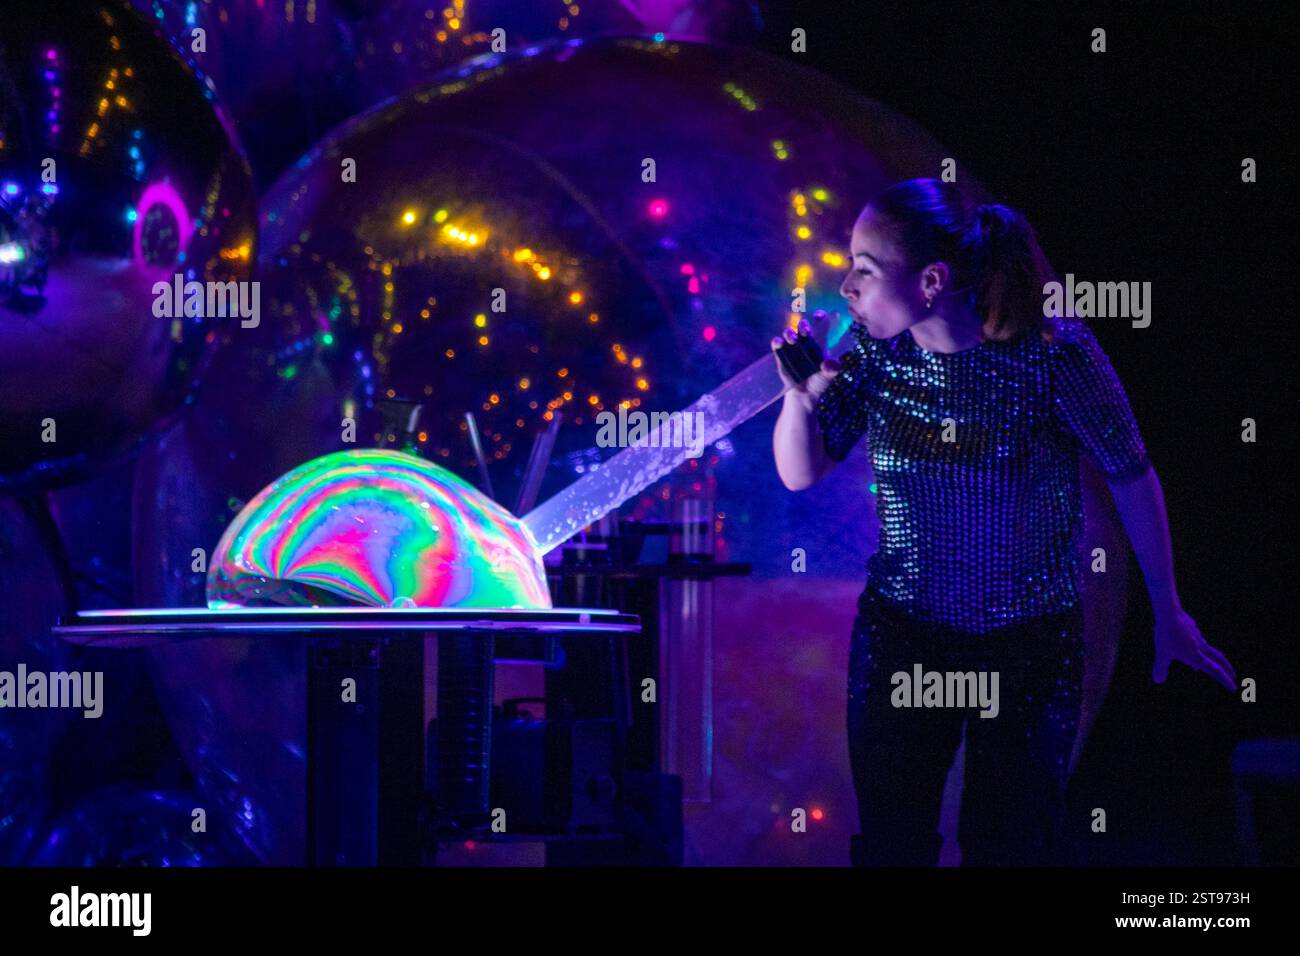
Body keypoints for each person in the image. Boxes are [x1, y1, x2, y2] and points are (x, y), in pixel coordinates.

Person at [770, 178, 1236, 866]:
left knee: (1010, 846)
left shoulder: (1054, 354)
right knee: (893, 846)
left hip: (1029, 647)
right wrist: (801, 400)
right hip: (903, 635)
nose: (846, 286)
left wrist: (1168, 611)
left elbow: (1131, 473)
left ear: (931, 280)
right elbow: (799, 471)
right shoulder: (876, 358)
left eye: (864, 270)